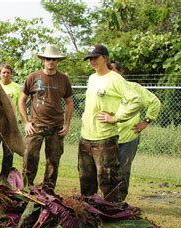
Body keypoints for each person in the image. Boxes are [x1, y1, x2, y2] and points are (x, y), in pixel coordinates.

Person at [79, 44, 142, 202]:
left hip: (105, 138)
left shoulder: (115, 79)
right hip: (86, 136)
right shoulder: (92, 78)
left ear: (105, 58)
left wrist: (116, 117)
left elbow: (136, 100)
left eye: (95, 58)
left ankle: (112, 213)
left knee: (107, 180)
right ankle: (89, 213)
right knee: (86, 178)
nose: (92, 61)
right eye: (90, 59)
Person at [19, 45, 73, 191]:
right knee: (29, 157)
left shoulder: (64, 79)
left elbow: (69, 102)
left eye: (54, 59)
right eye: (48, 58)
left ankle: (48, 191)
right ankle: (26, 189)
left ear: (58, 61)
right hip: (36, 126)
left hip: (56, 127)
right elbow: (22, 100)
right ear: (43, 60)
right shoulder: (33, 77)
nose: (51, 61)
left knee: (53, 161)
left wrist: (67, 125)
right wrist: (26, 122)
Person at [110, 61, 161, 199]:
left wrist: (146, 121)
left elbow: (154, 102)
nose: (111, 73)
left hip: (128, 137)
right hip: (107, 136)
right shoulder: (106, 88)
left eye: (113, 70)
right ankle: (106, 200)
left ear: (121, 72)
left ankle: (119, 201)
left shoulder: (133, 88)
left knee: (123, 170)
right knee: (106, 170)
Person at [0, 63, 22, 177]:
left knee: (8, 154)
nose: (5, 75)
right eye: (3, 72)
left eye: (8, 72)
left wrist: (19, 121)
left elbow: (20, 105)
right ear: (0, 73)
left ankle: (4, 178)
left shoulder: (16, 88)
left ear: (11, 74)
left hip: (10, 126)